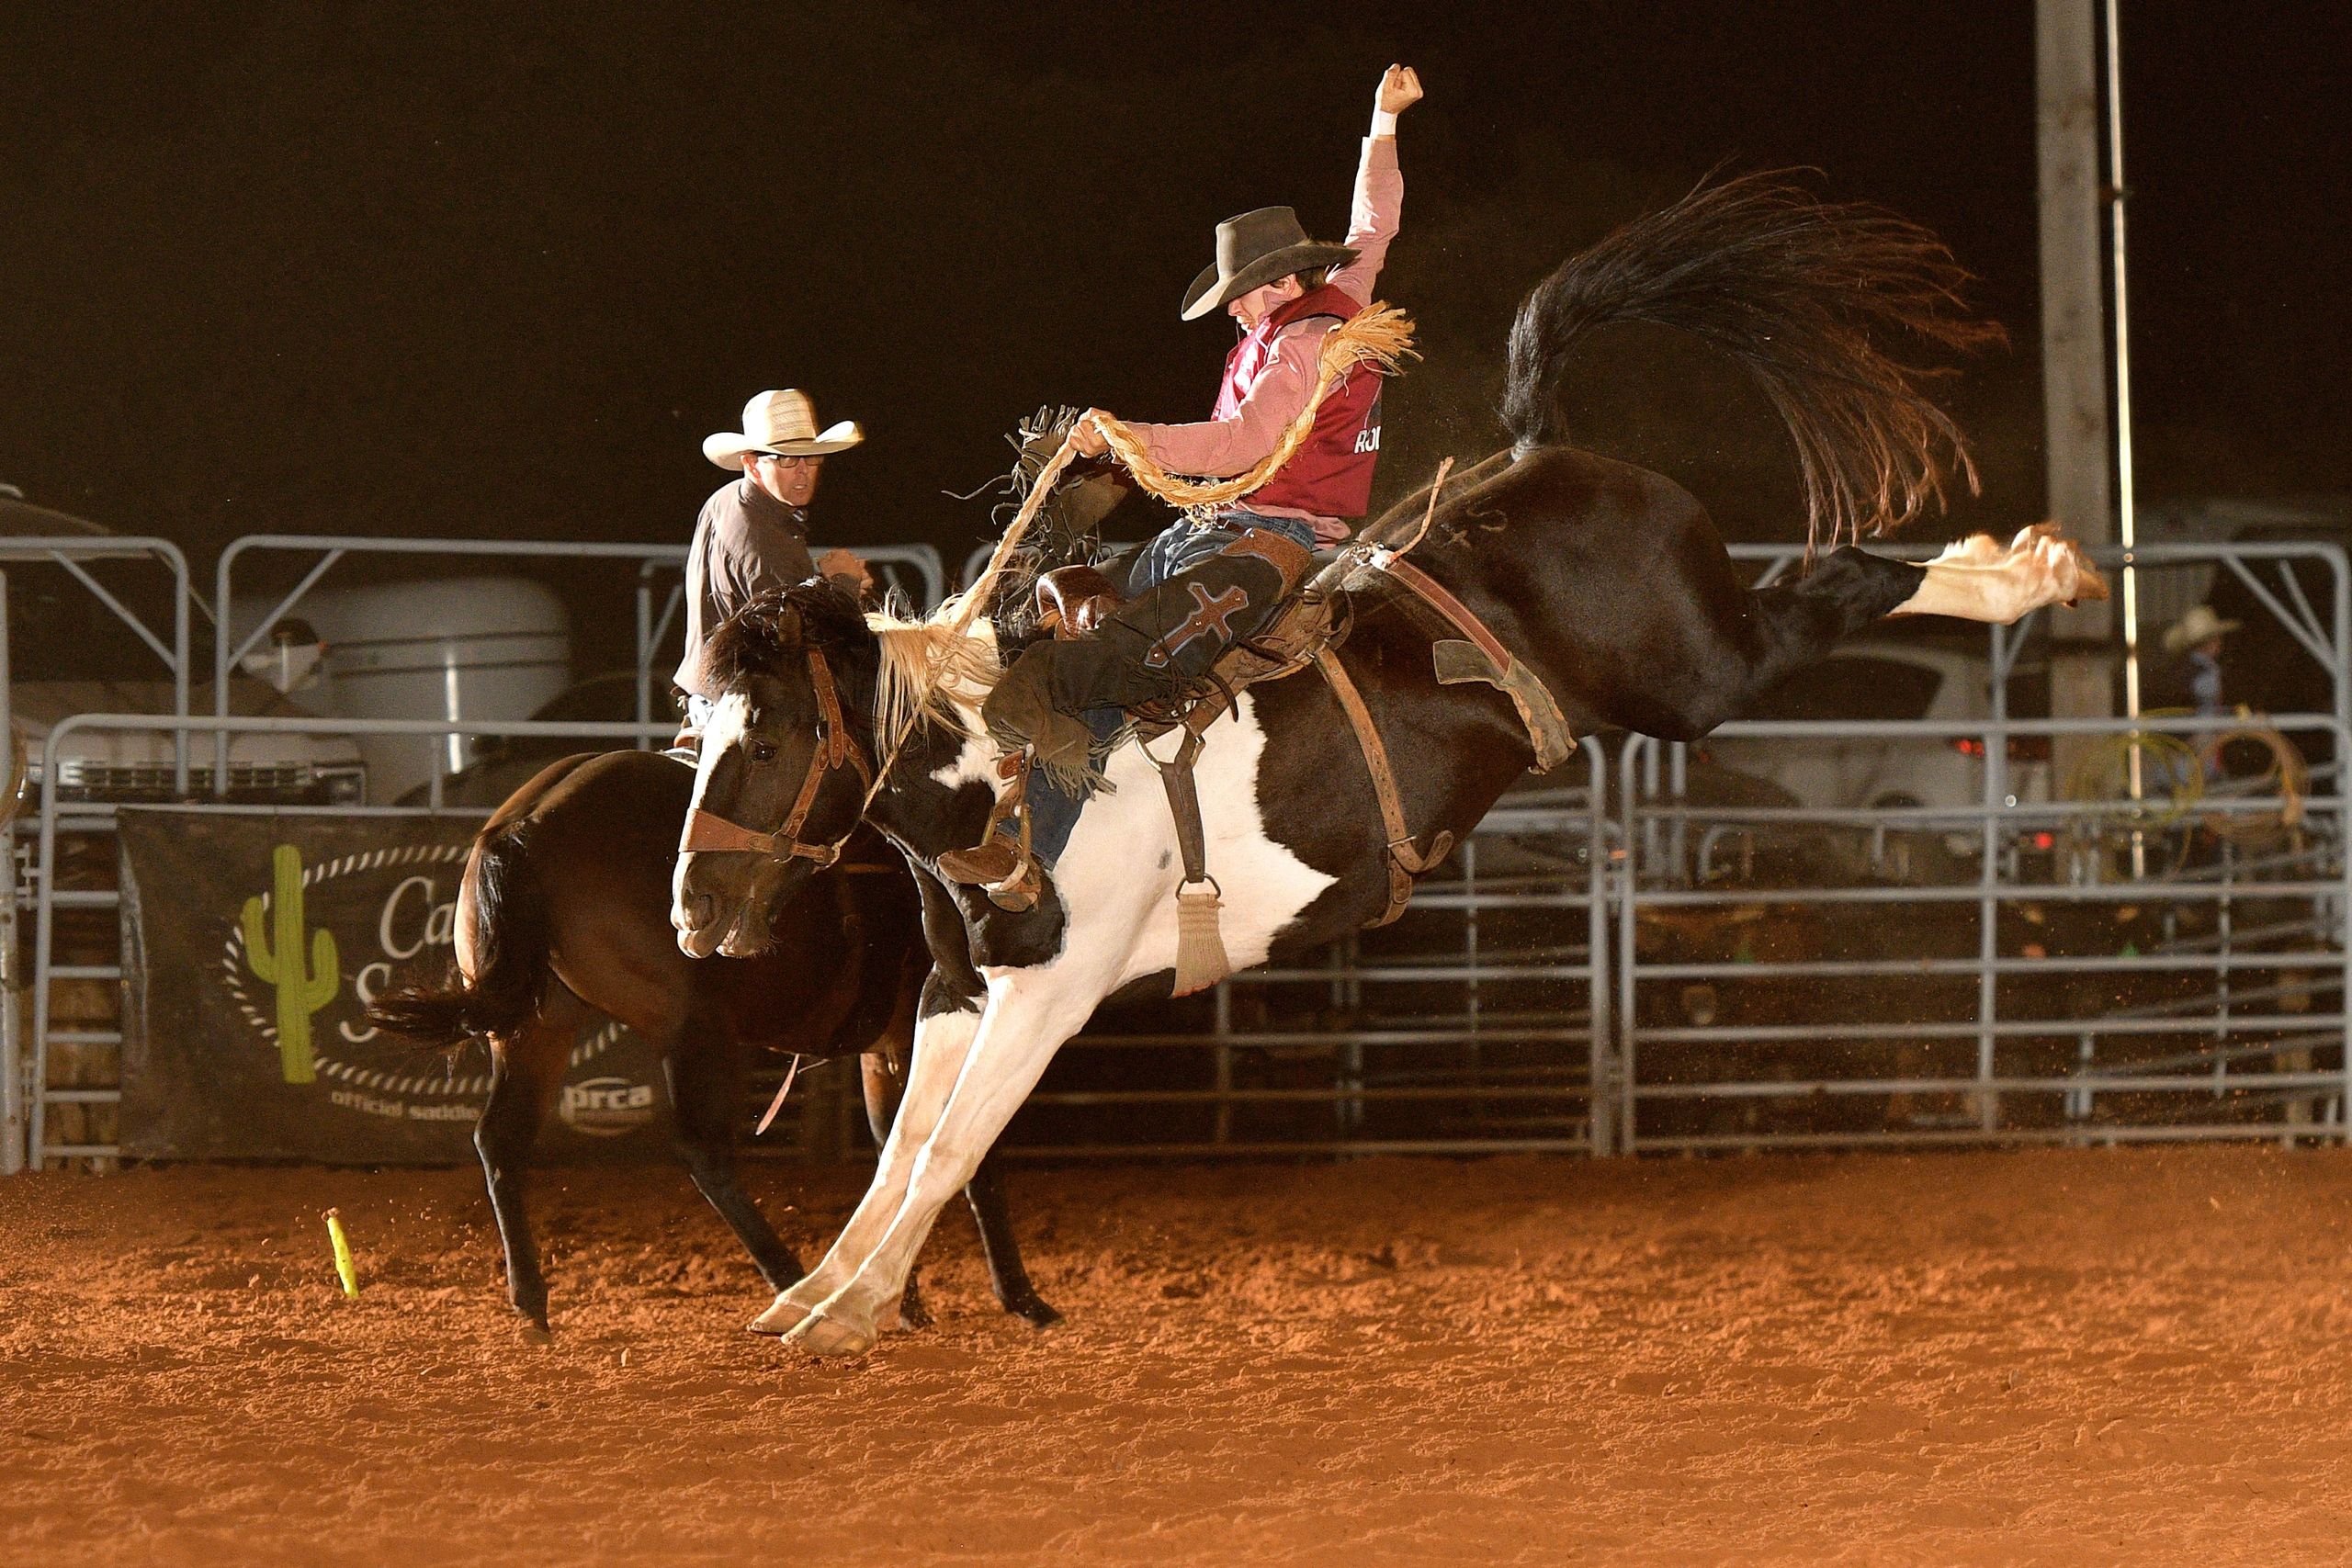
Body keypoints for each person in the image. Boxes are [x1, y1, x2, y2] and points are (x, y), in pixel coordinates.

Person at [939, 63, 1423, 895]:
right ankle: (1028, 847)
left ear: (1278, 282)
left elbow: (1246, 441)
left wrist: (1130, 438)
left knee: (1124, 651)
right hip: (1223, 530)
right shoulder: (1338, 298)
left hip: (1277, 540)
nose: (1232, 310)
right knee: (1083, 614)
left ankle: (1035, 787)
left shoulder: (1302, 344)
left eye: (1239, 295)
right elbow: (1373, 223)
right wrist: (1382, 123)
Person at [673, 389, 871, 746]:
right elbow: (797, 637)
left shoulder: (728, 499)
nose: (803, 473)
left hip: (714, 692)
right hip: (745, 706)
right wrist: (844, 584)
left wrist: (827, 585)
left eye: (811, 459)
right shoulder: (764, 537)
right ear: (752, 464)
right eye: (785, 460)